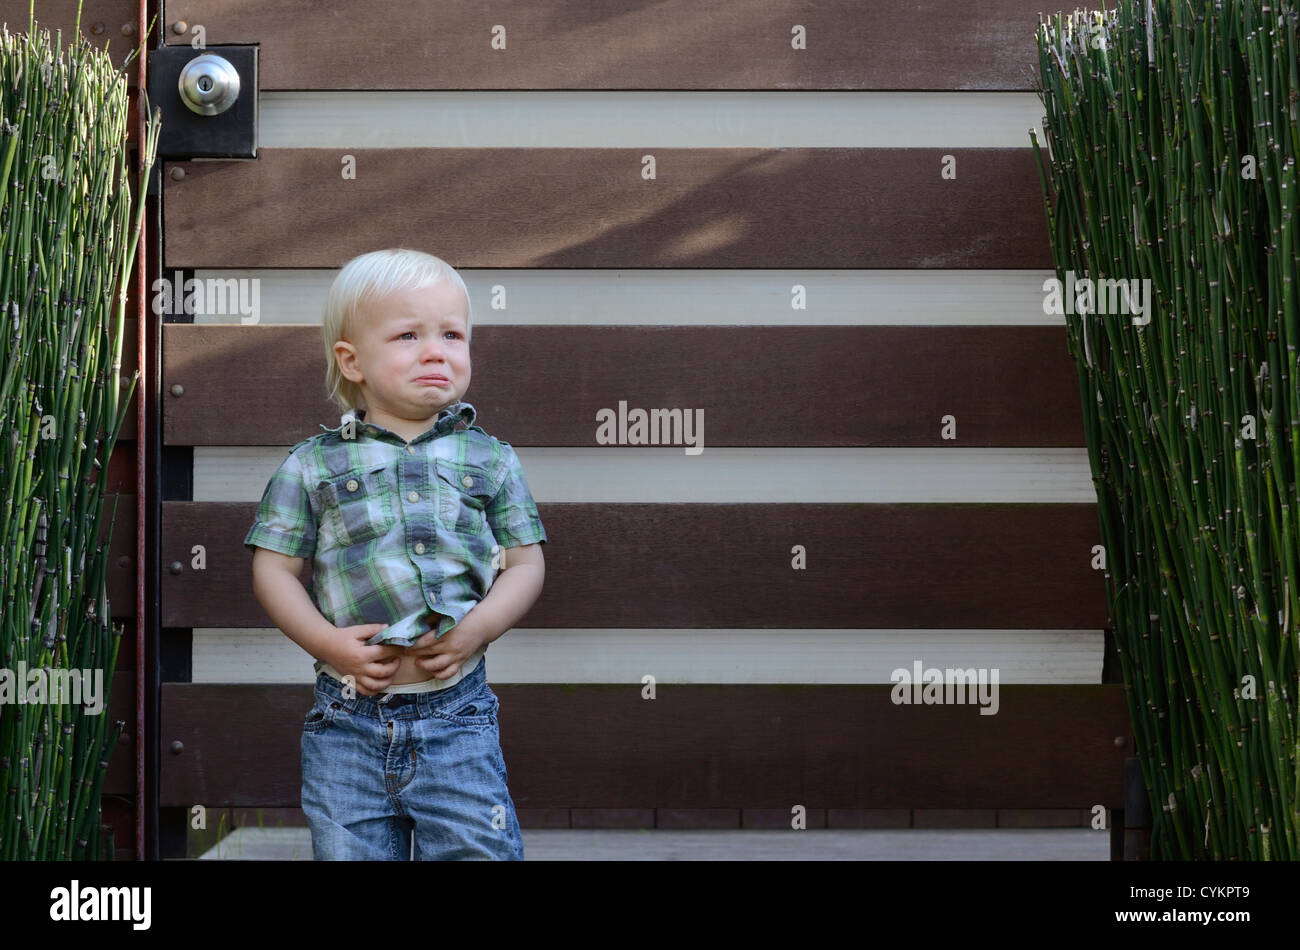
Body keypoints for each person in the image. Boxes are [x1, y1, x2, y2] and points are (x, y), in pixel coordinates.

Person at [244, 247, 546, 860]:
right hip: (346, 718)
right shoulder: (313, 465)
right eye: (409, 335)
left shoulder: (490, 459)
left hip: (458, 715)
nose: (437, 350)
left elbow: (527, 564)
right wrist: (327, 645)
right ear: (352, 361)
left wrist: (475, 629)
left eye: (453, 335)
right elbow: (273, 568)